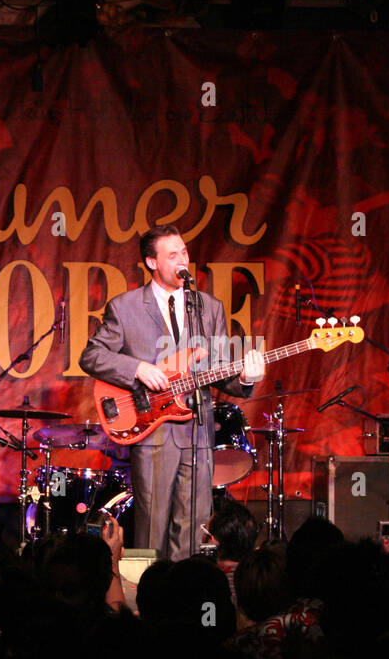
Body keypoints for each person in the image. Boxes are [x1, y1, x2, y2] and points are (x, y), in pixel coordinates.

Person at [80, 225, 265, 561]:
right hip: (153, 431)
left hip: (198, 431)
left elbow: (220, 370)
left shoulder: (208, 308)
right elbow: (92, 356)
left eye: (184, 252)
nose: (183, 260)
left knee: (194, 528)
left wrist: (247, 379)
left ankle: (186, 600)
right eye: (172, 255)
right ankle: (151, 602)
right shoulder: (126, 307)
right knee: (153, 526)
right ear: (152, 262)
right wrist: (137, 369)